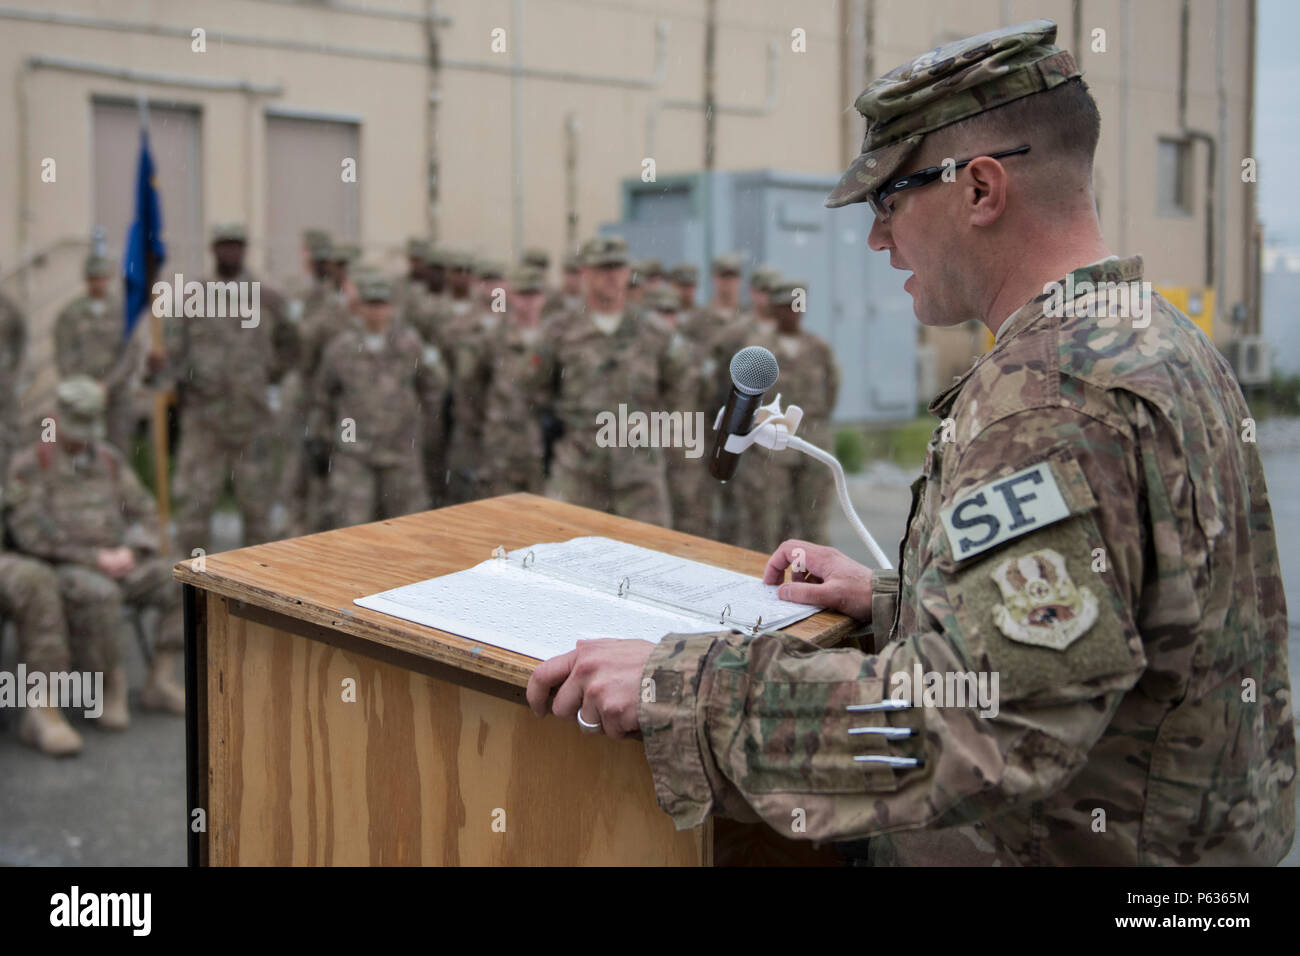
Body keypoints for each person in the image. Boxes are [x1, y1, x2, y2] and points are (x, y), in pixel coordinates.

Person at [525, 19, 1295, 866]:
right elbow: (1108, 627)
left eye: (890, 202)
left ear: (980, 190)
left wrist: (680, 687)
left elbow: (980, 722)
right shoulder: (1148, 335)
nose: (877, 238)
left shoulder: (1052, 398)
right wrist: (897, 600)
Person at [6, 377, 187, 729]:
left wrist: (132, 550)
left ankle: (162, 678)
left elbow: (147, 512)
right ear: (56, 419)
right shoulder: (33, 464)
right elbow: (29, 534)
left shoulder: (109, 460)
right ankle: (109, 686)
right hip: (65, 566)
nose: (81, 437)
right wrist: (95, 559)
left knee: (183, 579)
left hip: (119, 559)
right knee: (100, 594)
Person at [156, 223, 299, 556]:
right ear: (213, 250)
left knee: (258, 515)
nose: (230, 252)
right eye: (224, 246)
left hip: (253, 420)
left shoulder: (268, 296)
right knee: (193, 511)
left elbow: (292, 345)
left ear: (245, 250)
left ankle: (258, 592)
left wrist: (268, 376)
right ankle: (190, 593)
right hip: (204, 422)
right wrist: (165, 372)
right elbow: (174, 351)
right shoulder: (192, 296)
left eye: (236, 246)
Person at [544, 236, 674, 526]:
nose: (611, 276)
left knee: (651, 561)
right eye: (602, 268)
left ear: (628, 273)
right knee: (561, 557)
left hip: (640, 476)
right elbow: (535, 396)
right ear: (585, 273)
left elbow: (678, 398)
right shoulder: (559, 331)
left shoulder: (654, 333)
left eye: (617, 267)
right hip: (578, 472)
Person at [731, 278, 840, 553]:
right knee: (765, 528)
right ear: (775, 310)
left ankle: (816, 584)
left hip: (813, 444)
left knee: (814, 527)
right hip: (770, 448)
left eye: (795, 307)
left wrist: (813, 422)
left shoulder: (819, 348)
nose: (790, 312)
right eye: (783, 307)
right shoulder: (757, 348)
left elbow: (831, 391)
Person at [53, 254, 145, 454]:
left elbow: (130, 354)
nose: (98, 283)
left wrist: (107, 384)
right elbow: (64, 352)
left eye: (102, 277)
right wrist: (84, 384)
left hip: (115, 394)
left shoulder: (122, 312)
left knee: (117, 450)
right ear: (87, 280)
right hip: (81, 393)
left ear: (108, 279)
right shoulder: (71, 313)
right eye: (93, 278)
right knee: (79, 448)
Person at [481, 266, 550, 496]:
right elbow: (473, 387)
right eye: (523, 295)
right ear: (511, 296)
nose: (528, 302)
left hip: (544, 443)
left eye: (534, 295)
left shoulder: (555, 338)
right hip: (504, 444)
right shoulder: (494, 338)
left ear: (543, 297)